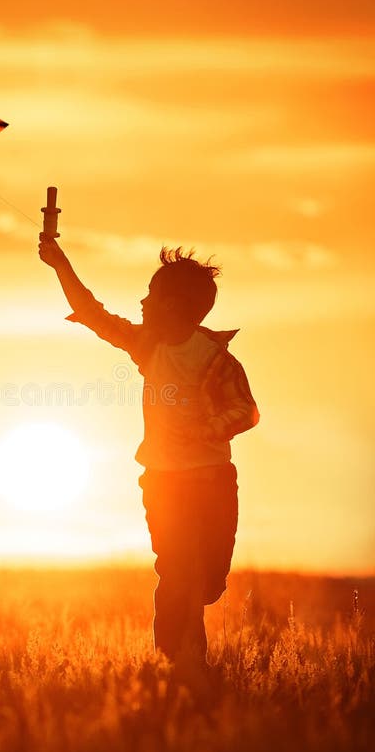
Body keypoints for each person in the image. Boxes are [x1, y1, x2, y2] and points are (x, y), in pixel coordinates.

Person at [39, 235, 259, 682]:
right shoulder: (149, 347)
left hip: (212, 480)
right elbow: (97, 316)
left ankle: (186, 661)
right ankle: (175, 668)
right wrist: (61, 265)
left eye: (151, 294)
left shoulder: (215, 359)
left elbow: (246, 411)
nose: (142, 301)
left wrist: (203, 429)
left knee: (207, 581)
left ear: (174, 306)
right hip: (164, 482)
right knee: (178, 574)